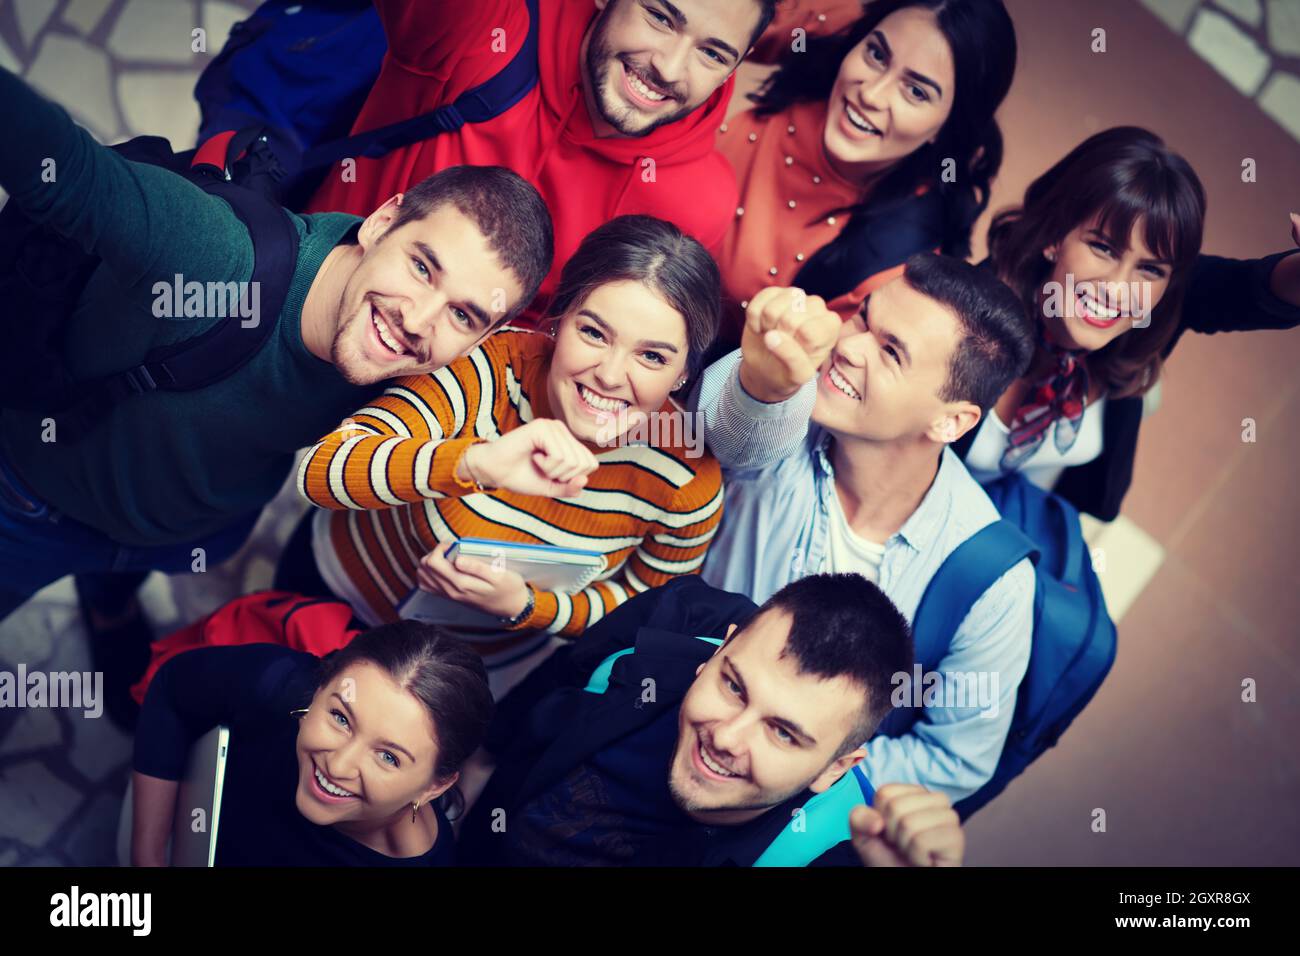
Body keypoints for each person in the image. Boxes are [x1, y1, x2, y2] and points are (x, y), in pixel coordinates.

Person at [0, 66, 553, 727]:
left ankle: (109, 605)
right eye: (422, 266)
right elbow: (64, 168)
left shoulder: (421, 364)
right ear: (381, 221)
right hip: (35, 508)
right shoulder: (214, 255)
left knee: (120, 587)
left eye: (463, 315)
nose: (419, 319)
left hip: (187, 529)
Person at [281, 216, 725, 695]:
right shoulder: (488, 364)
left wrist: (529, 606)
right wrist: (474, 463)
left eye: (652, 357)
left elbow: (645, 609)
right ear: (559, 318)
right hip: (334, 591)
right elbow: (319, 470)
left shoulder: (685, 478)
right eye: (594, 333)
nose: (611, 375)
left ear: (683, 373)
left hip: (470, 670)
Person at [692, 253, 1036, 800]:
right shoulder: (789, 409)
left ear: (952, 420)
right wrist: (759, 384)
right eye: (863, 319)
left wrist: (793, 759)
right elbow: (720, 433)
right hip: (667, 707)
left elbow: (954, 760)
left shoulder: (993, 583)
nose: (850, 348)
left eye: (891, 352)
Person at [307, 0, 781, 322]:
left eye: (713, 53)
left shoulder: (700, 202)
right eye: (659, 16)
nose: (670, 67)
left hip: (447, 422)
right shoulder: (488, 28)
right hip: (298, 316)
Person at [457, 572, 964, 867]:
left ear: (835, 768)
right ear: (719, 648)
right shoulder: (676, 617)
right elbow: (551, 690)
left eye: (782, 732)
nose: (725, 736)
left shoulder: (827, 848)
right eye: (733, 686)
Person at [957, 127, 1300, 520]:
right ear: (1055, 234)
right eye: (1102, 248)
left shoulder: (1159, 304)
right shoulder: (963, 316)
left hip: (1018, 523)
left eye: (1150, 269)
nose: (1118, 290)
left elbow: (1255, 289)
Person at [714, 0, 1016, 344]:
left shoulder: (894, 265)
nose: (872, 93)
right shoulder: (824, 44)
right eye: (876, 54)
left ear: (946, 127)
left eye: (916, 91)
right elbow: (718, 18)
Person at [130, 622, 494, 867]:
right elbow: (173, 688)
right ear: (320, 687)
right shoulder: (279, 685)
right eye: (340, 719)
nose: (337, 766)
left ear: (435, 785)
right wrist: (147, 858)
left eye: (387, 757)